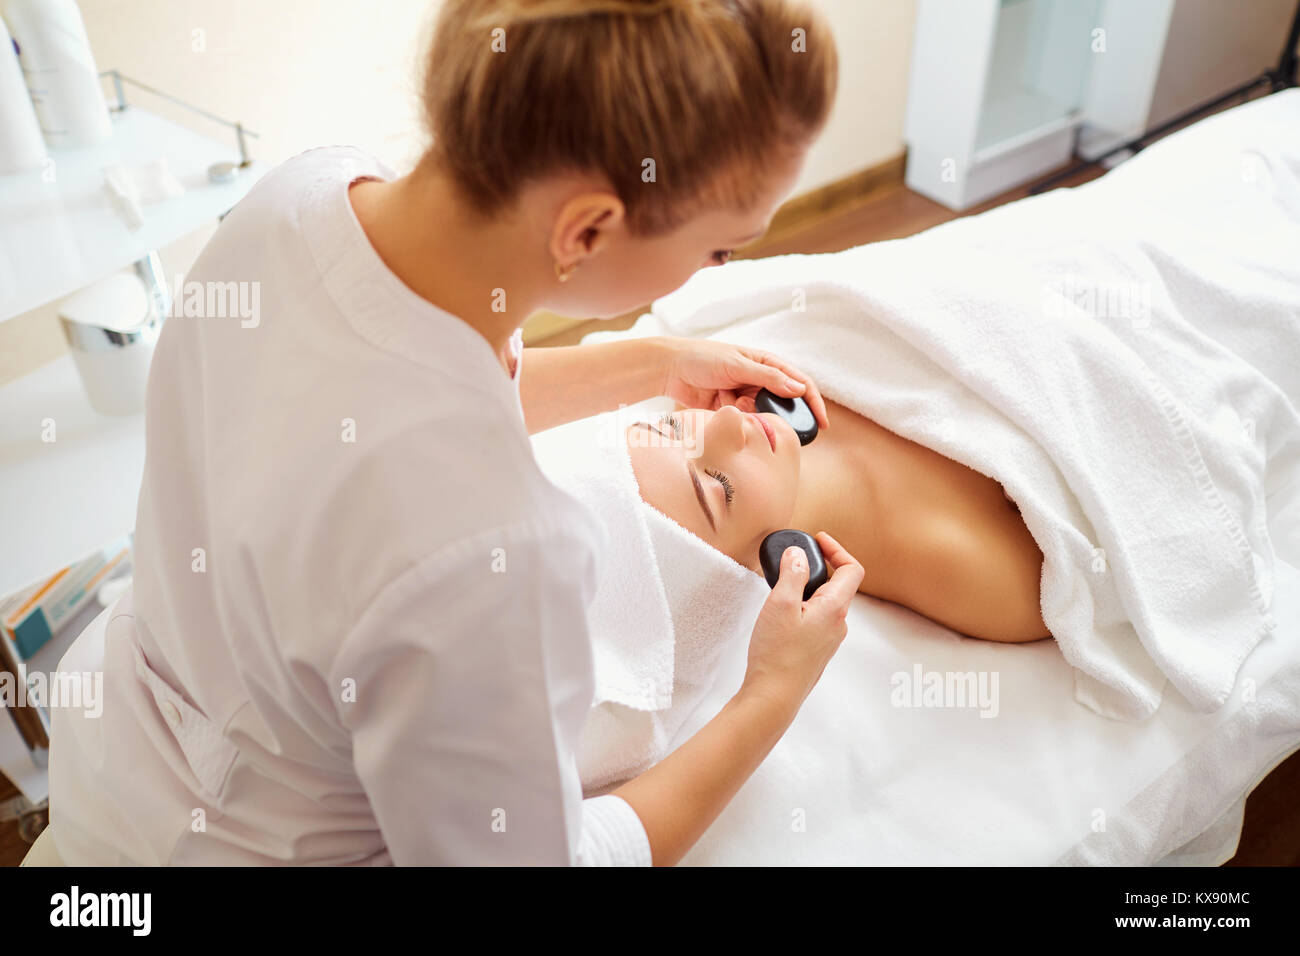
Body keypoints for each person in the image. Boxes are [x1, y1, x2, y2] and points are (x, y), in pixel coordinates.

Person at [46, 0, 863, 866]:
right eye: (720, 252)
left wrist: (650, 364)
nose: (714, 272)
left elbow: (391, 387)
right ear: (585, 228)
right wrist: (771, 693)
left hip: (111, 749)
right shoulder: (492, 553)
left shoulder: (298, 199)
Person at [628, 403, 1051, 644]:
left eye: (672, 426)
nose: (725, 419)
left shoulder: (762, 369)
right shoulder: (964, 567)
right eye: (718, 486)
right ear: (762, 569)